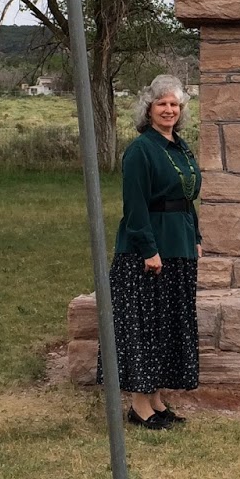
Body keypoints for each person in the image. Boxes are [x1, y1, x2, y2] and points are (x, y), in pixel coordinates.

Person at [98, 74, 201, 430]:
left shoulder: (180, 147)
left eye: (174, 104)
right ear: (149, 108)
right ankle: (139, 407)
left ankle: (156, 400)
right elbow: (135, 206)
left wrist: (196, 236)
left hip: (180, 246)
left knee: (167, 325)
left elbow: (186, 197)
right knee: (145, 326)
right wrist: (148, 250)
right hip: (148, 252)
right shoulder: (140, 150)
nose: (169, 110)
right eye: (162, 104)